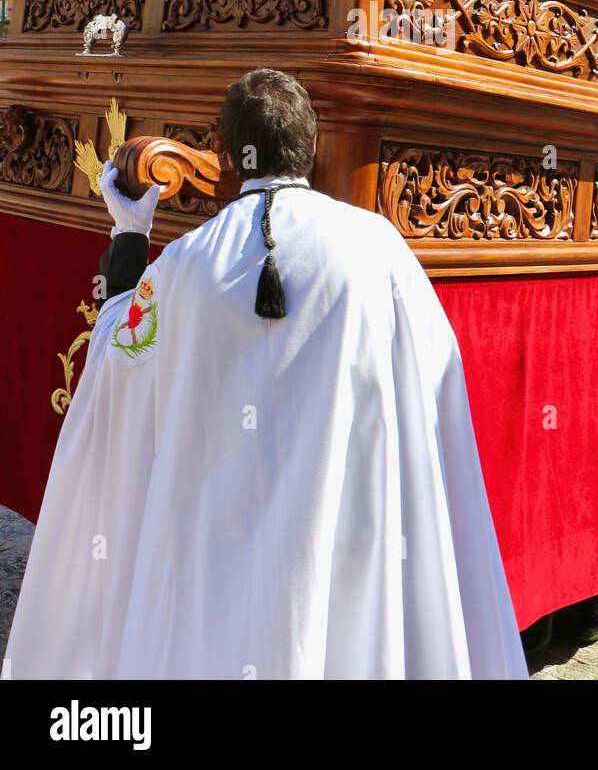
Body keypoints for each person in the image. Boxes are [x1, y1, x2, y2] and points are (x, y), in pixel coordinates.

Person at [7, 69, 527, 681]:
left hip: (205, 552)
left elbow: (117, 352)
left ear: (226, 156)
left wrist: (130, 233)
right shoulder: (377, 248)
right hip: (343, 531)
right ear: (311, 149)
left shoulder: (184, 263)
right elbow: (436, 375)